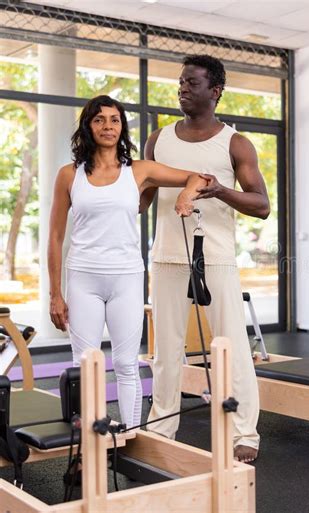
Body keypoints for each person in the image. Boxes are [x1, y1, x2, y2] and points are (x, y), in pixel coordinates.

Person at [48, 95, 207, 429]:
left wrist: (184, 196)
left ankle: (132, 439)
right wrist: (55, 293)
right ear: (87, 127)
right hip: (83, 277)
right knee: (86, 364)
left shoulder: (139, 170)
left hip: (126, 278)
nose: (108, 126)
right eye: (100, 120)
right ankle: (89, 446)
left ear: (122, 126)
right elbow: (55, 237)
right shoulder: (68, 175)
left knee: (125, 363)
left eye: (115, 120)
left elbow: (199, 177)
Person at [140, 55, 270, 462]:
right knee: (166, 351)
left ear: (215, 91)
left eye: (192, 83)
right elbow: (142, 199)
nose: (182, 88)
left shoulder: (234, 142)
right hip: (166, 258)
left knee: (230, 346)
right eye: (180, 82)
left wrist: (220, 191)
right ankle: (162, 428)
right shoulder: (157, 139)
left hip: (215, 258)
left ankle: (244, 431)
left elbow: (262, 205)